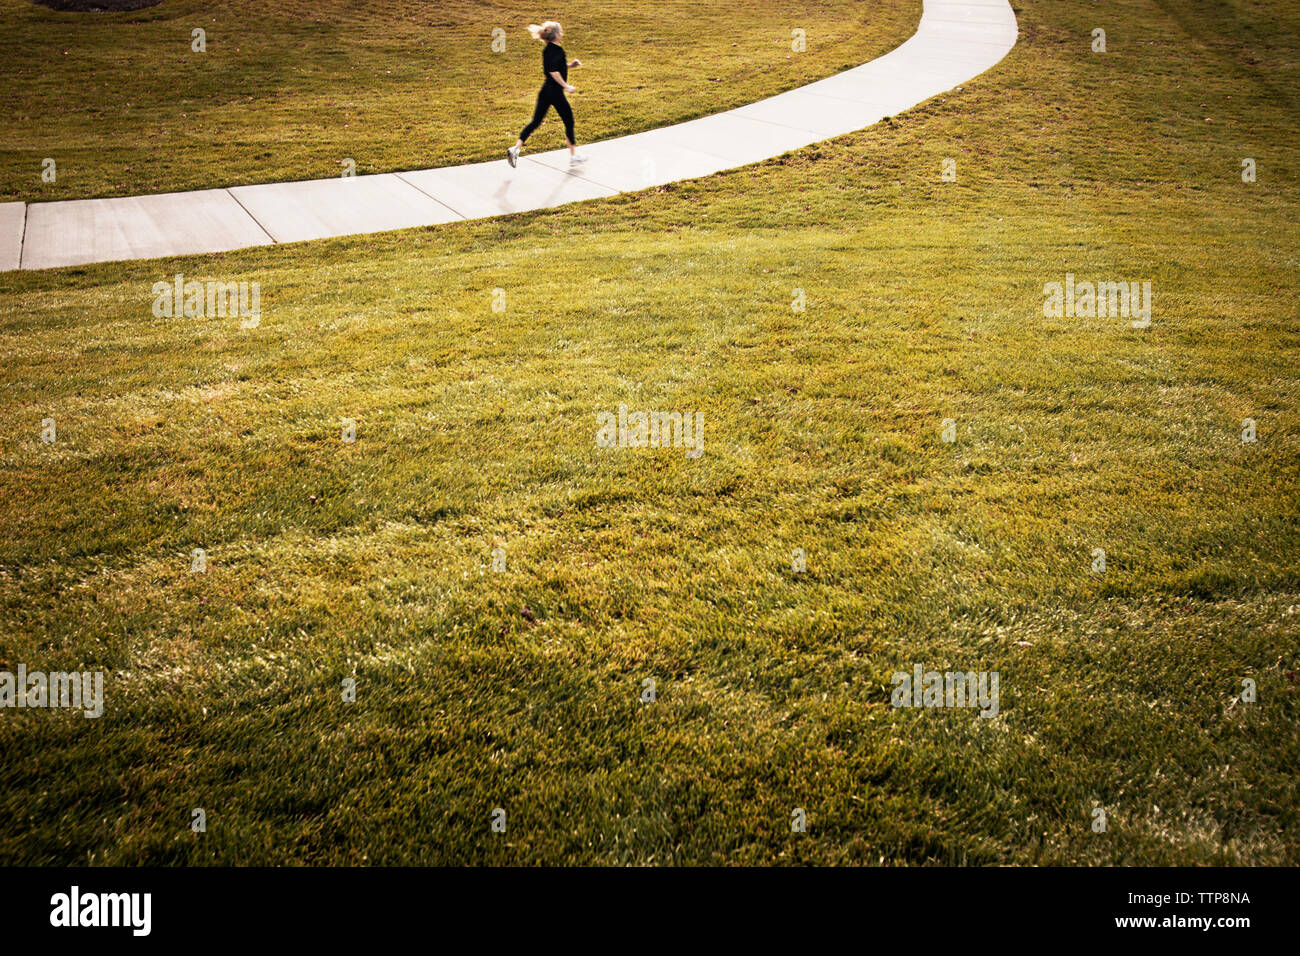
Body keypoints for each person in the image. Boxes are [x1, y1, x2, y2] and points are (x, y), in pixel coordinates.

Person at [507, 21, 587, 168]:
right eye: (561, 32)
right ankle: (574, 156)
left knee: (536, 121)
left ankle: (515, 149)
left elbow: (555, 66)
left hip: (545, 91)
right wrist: (566, 86)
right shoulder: (557, 50)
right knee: (569, 121)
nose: (562, 34)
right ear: (556, 34)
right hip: (555, 92)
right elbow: (553, 71)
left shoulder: (549, 49)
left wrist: (570, 66)